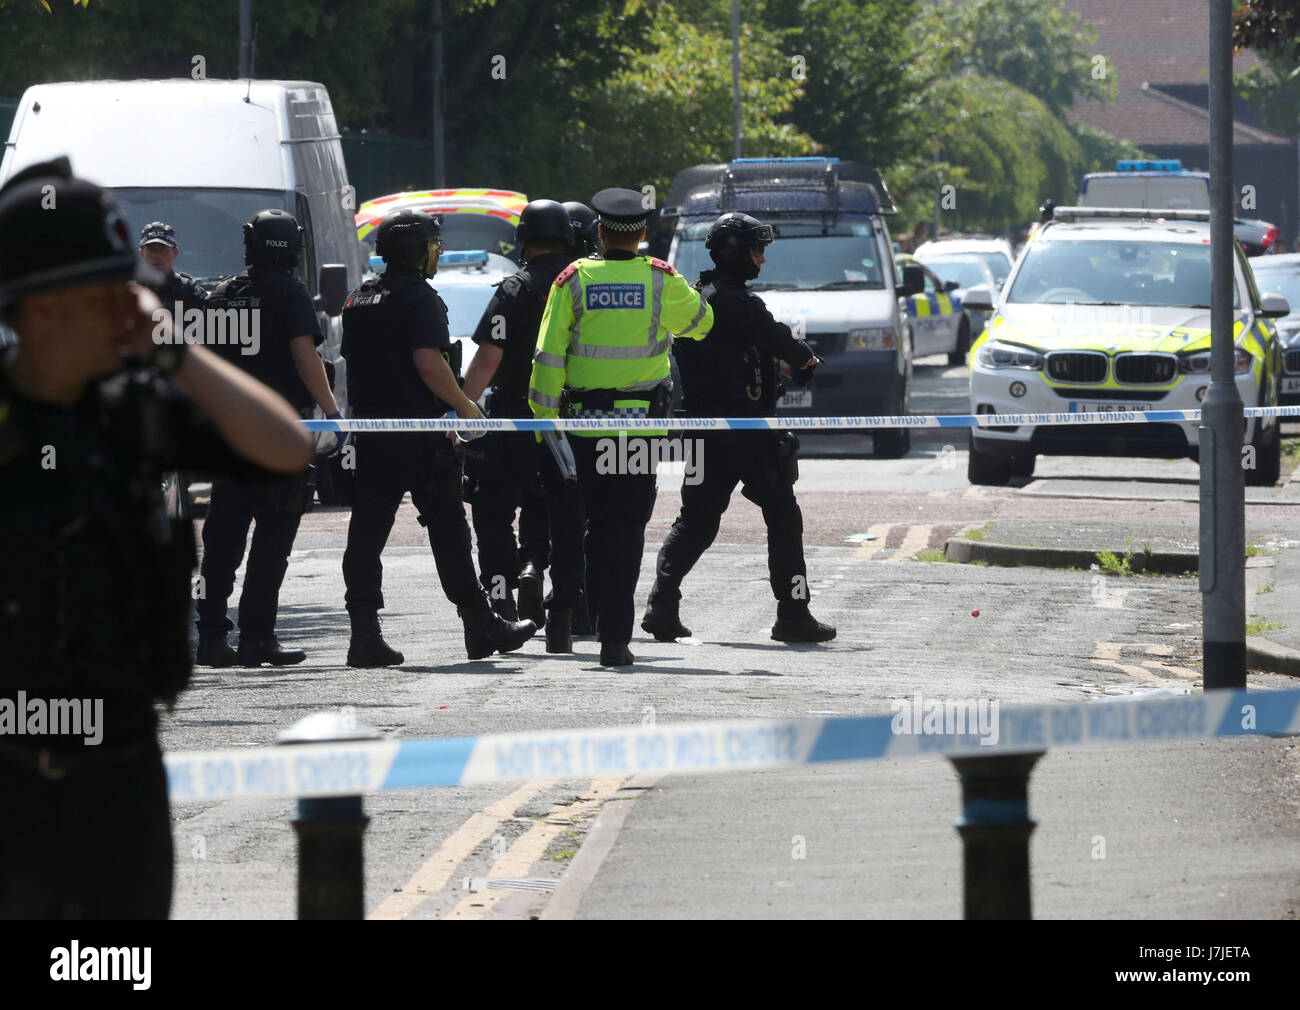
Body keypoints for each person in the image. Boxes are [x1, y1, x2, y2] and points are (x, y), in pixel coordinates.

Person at [0, 157, 315, 918]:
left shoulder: (136, 405)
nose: (133, 305)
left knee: (116, 971)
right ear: (43, 309)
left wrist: (177, 353)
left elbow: (286, 447)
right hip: (8, 780)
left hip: (122, 773)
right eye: (111, 291)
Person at [341, 209, 536, 666]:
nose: (438, 252)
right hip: (420, 434)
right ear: (414, 250)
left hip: (372, 432)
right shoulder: (419, 299)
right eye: (432, 244)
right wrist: (466, 408)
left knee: (366, 535)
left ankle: (363, 635)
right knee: (448, 528)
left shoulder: (358, 299)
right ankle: (480, 624)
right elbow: (430, 364)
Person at [529, 187, 713, 667]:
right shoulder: (660, 279)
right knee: (627, 530)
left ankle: (581, 617)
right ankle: (616, 640)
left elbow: (548, 358)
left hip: (584, 430)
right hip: (638, 434)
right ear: (643, 234)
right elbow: (701, 324)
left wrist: (543, 427)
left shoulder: (572, 279)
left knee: (591, 527)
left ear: (599, 231)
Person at [643, 212, 835, 644]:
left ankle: (662, 603)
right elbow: (776, 337)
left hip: (702, 429)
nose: (762, 260)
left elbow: (740, 349)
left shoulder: (696, 297)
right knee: (783, 514)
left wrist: (780, 363)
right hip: (747, 430)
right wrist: (803, 359)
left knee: (697, 520)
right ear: (736, 254)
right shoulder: (739, 302)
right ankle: (794, 612)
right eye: (756, 251)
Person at [195, 210, 345, 667]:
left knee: (222, 541)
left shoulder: (223, 295)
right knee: (272, 540)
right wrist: (333, 412)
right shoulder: (290, 291)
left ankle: (213, 638)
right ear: (291, 248)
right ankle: (258, 637)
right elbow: (305, 355)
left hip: (231, 435)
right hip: (280, 434)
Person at [461, 199, 587, 652]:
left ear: (524, 241)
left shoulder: (514, 289)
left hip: (514, 416)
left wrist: (462, 408)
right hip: (570, 417)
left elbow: (488, 358)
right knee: (566, 515)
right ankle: (563, 619)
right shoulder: (581, 286)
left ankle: (501, 605)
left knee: (493, 513)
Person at [138, 220, 207, 317]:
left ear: (175, 252)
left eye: (162, 249)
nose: (156, 255)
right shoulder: (130, 293)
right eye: (151, 249)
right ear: (142, 254)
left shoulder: (190, 292)